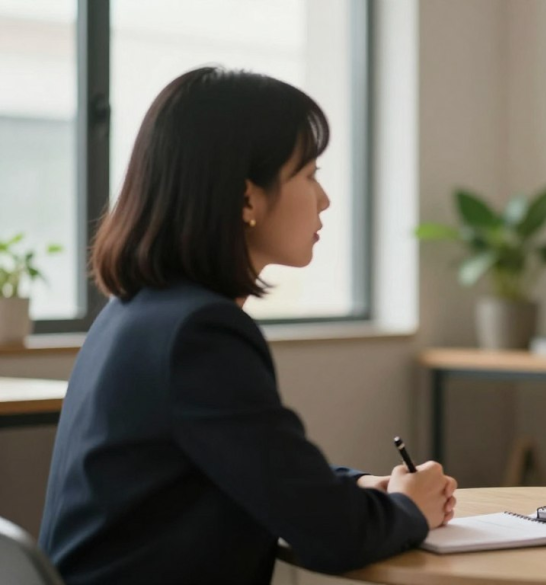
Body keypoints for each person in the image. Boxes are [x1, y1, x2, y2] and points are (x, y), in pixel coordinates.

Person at [38, 67, 456, 585]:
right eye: (309, 175)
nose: (324, 199)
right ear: (247, 198)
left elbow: (253, 467)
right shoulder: (200, 333)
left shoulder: (137, 313)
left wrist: (366, 485)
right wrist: (411, 510)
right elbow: (334, 537)